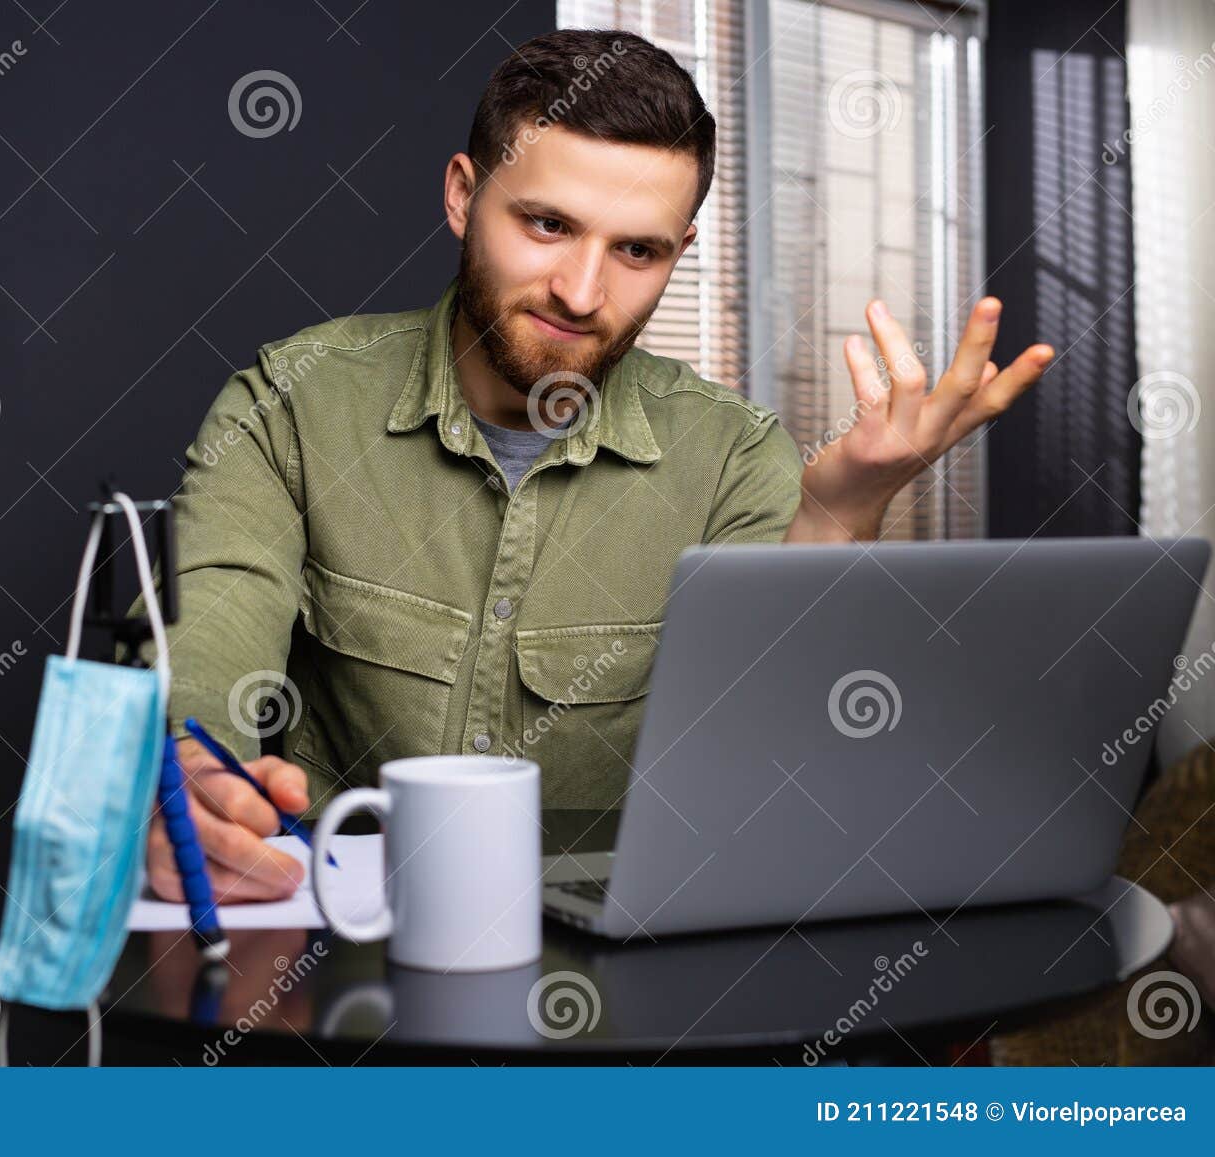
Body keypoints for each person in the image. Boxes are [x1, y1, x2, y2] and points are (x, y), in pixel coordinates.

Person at [138, 28, 1054, 905]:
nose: (582, 293)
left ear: (679, 254)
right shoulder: (292, 400)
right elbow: (210, 629)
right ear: (463, 195)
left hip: (633, 1006)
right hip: (346, 972)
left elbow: (775, 756)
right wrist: (192, 783)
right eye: (546, 223)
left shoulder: (733, 456)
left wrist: (843, 514)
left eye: (637, 250)